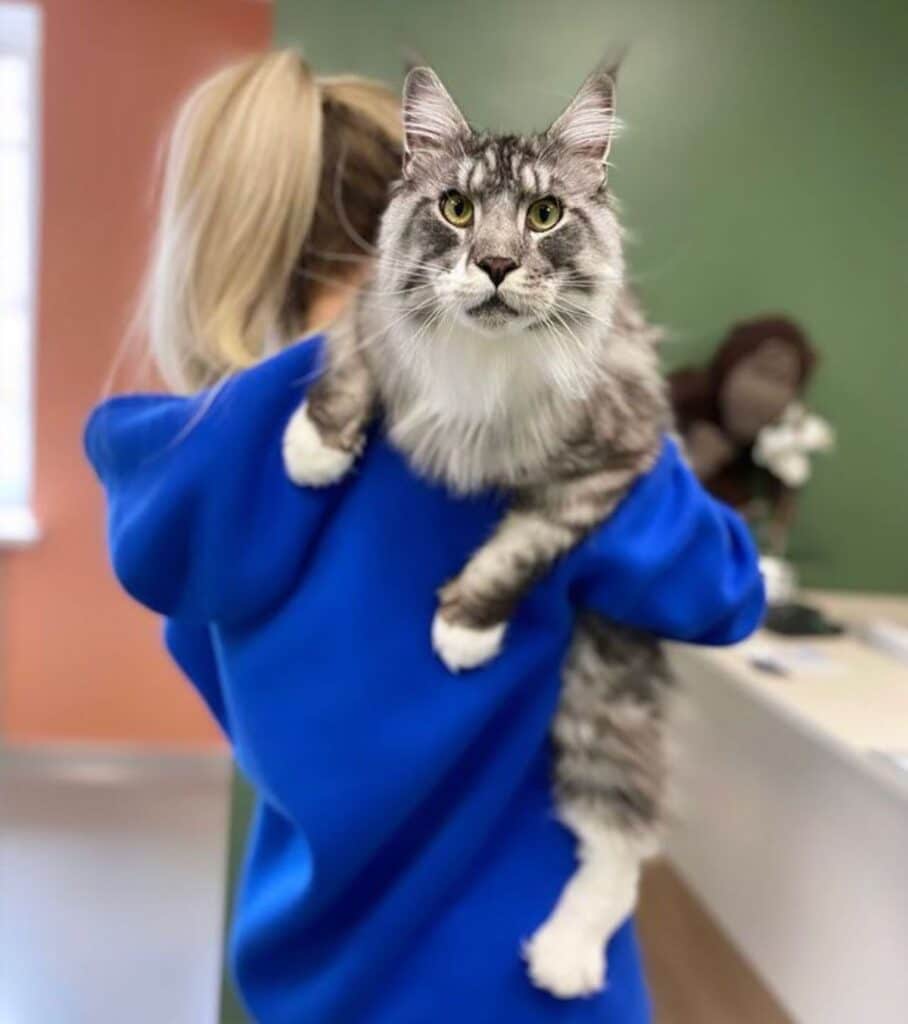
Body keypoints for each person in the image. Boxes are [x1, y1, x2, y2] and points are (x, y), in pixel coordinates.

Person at [85, 51, 765, 1024]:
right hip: (520, 985)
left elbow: (256, 723)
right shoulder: (530, 429)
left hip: (307, 972)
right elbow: (722, 590)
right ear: (398, 221)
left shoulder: (187, 476)